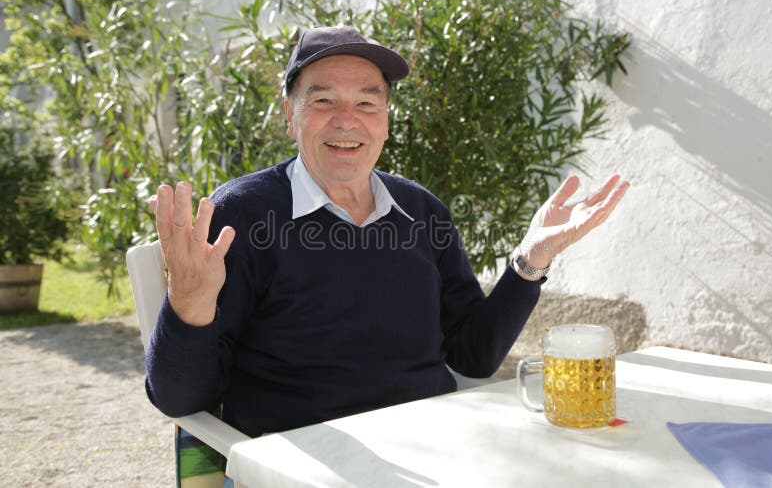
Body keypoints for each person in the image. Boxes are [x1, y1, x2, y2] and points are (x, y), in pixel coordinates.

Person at [145, 26, 629, 438]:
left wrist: (532, 258)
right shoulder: (241, 216)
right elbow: (180, 399)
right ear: (289, 117)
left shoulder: (421, 211)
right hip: (303, 464)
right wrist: (189, 304)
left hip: (431, 446)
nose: (346, 119)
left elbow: (473, 356)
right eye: (323, 100)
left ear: (386, 122)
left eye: (366, 102)